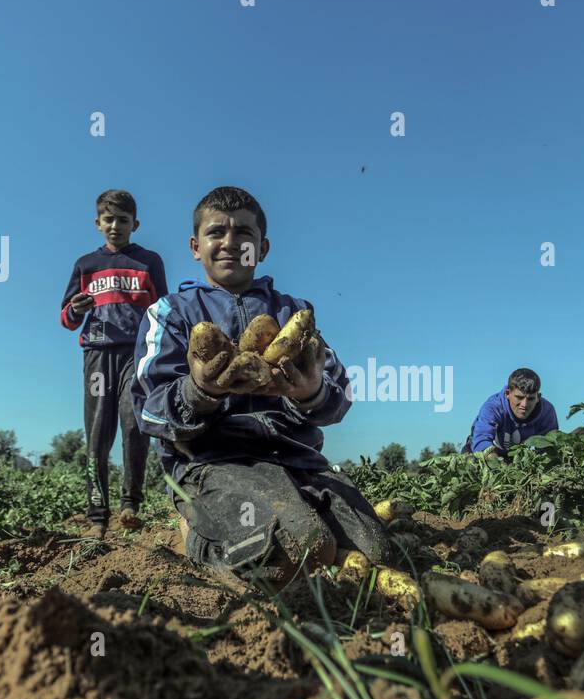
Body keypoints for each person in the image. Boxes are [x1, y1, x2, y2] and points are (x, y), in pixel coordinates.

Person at [132, 186, 391, 589]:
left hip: (298, 460)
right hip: (215, 462)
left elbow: (339, 397)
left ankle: (297, 511)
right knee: (297, 550)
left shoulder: (293, 313)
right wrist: (198, 392)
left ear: (263, 247)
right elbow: (148, 408)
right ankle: (193, 528)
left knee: (376, 550)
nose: (230, 243)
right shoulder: (171, 314)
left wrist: (310, 393)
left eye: (244, 234)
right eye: (216, 232)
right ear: (195, 246)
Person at [59, 189, 167, 536]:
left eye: (123, 220)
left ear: (135, 224)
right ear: (97, 223)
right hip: (97, 354)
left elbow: (163, 312)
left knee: (135, 426)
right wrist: (76, 308)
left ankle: (130, 503)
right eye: (109, 219)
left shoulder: (149, 262)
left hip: (135, 356)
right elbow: (66, 317)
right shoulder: (85, 265)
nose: (115, 226)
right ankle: (96, 512)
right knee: (97, 433)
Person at [461, 368, 559, 460]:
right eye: (519, 397)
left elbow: (549, 448)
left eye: (530, 399)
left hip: (520, 458)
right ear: (508, 393)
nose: (524, 405)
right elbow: (481, 441)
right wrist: (500, 469)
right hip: (486, 453)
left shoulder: (547, 412)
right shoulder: (493, 407)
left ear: (538, 397)